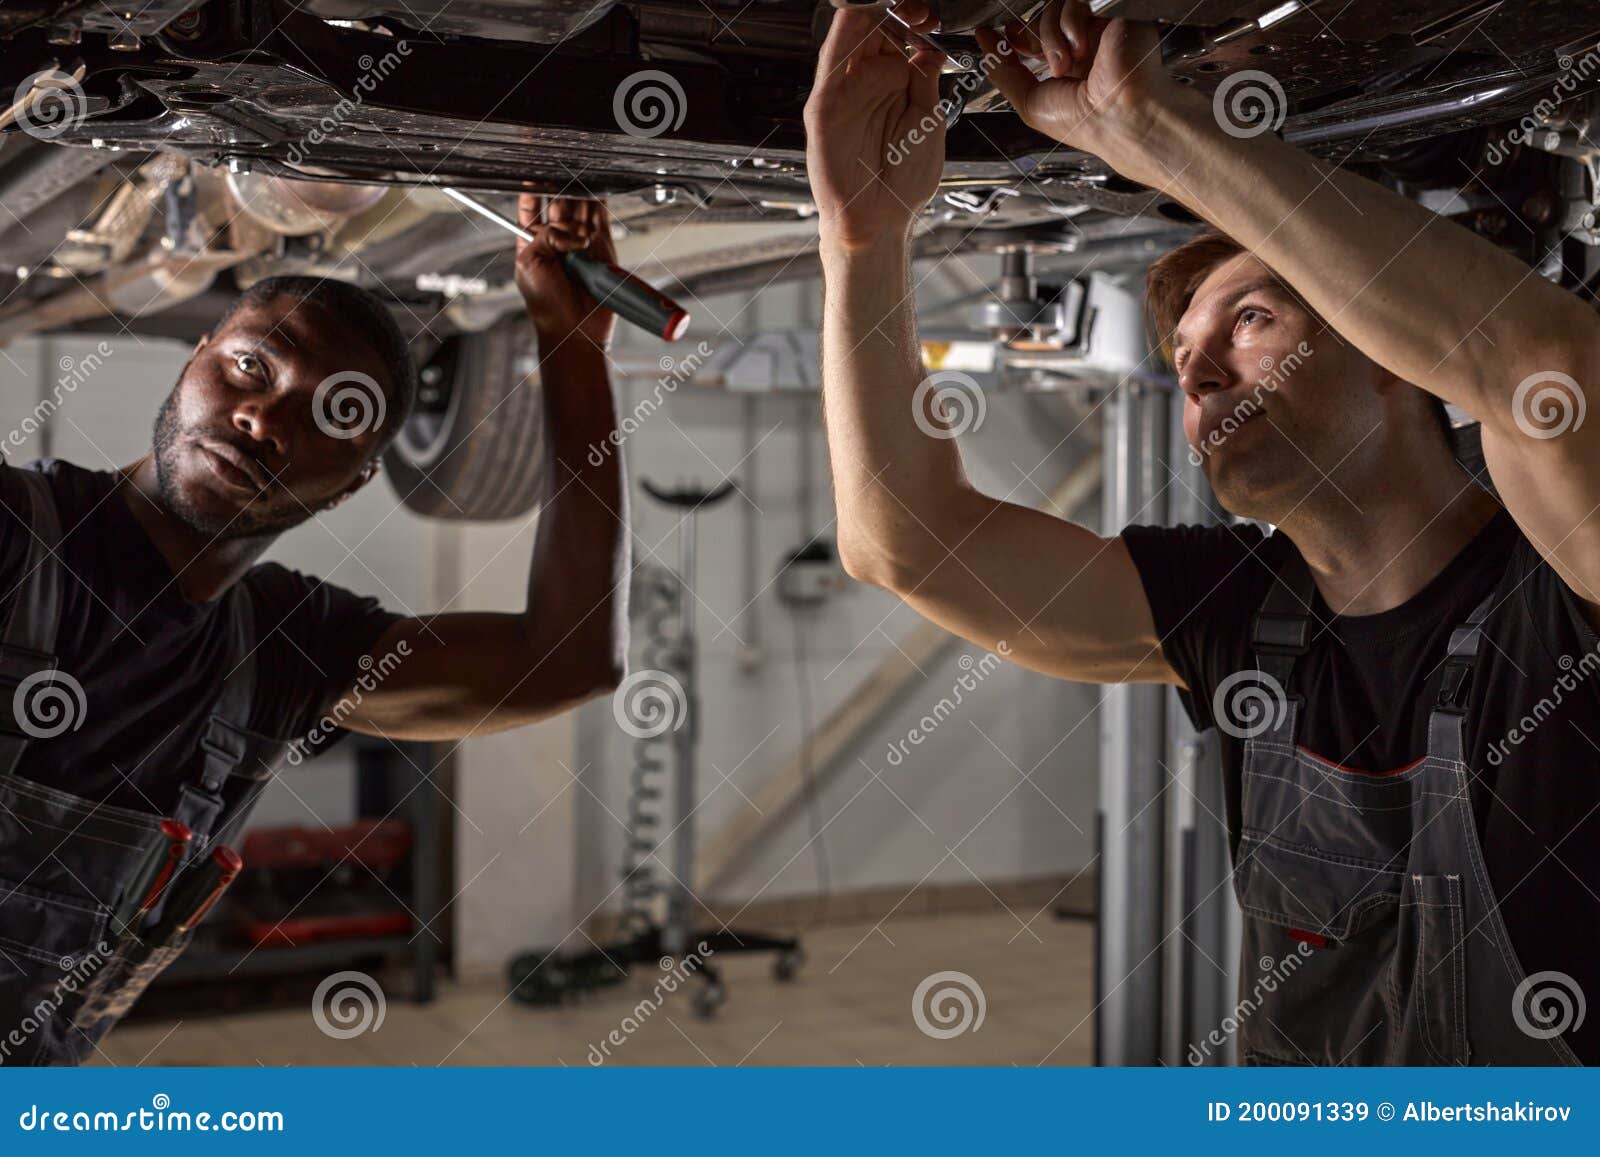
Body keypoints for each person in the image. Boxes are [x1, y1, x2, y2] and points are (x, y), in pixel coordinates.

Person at [804, 1, 1599, 1065]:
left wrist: (1155, 128)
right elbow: (905, 541)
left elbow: (1547, 372)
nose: (1197, 367)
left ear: (1389, 352)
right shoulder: (1241, 611)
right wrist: (860, 237)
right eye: (1182, 348)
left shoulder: (1559, 587)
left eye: (1252, 320)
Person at [0, 195, 629, 1065]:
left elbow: (568, 659)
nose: (264, 419)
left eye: (330, 414)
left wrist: (572, 349)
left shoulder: (285, 647)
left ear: (351, 484)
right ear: (192, 363)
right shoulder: (14, 534)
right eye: (253, 366)